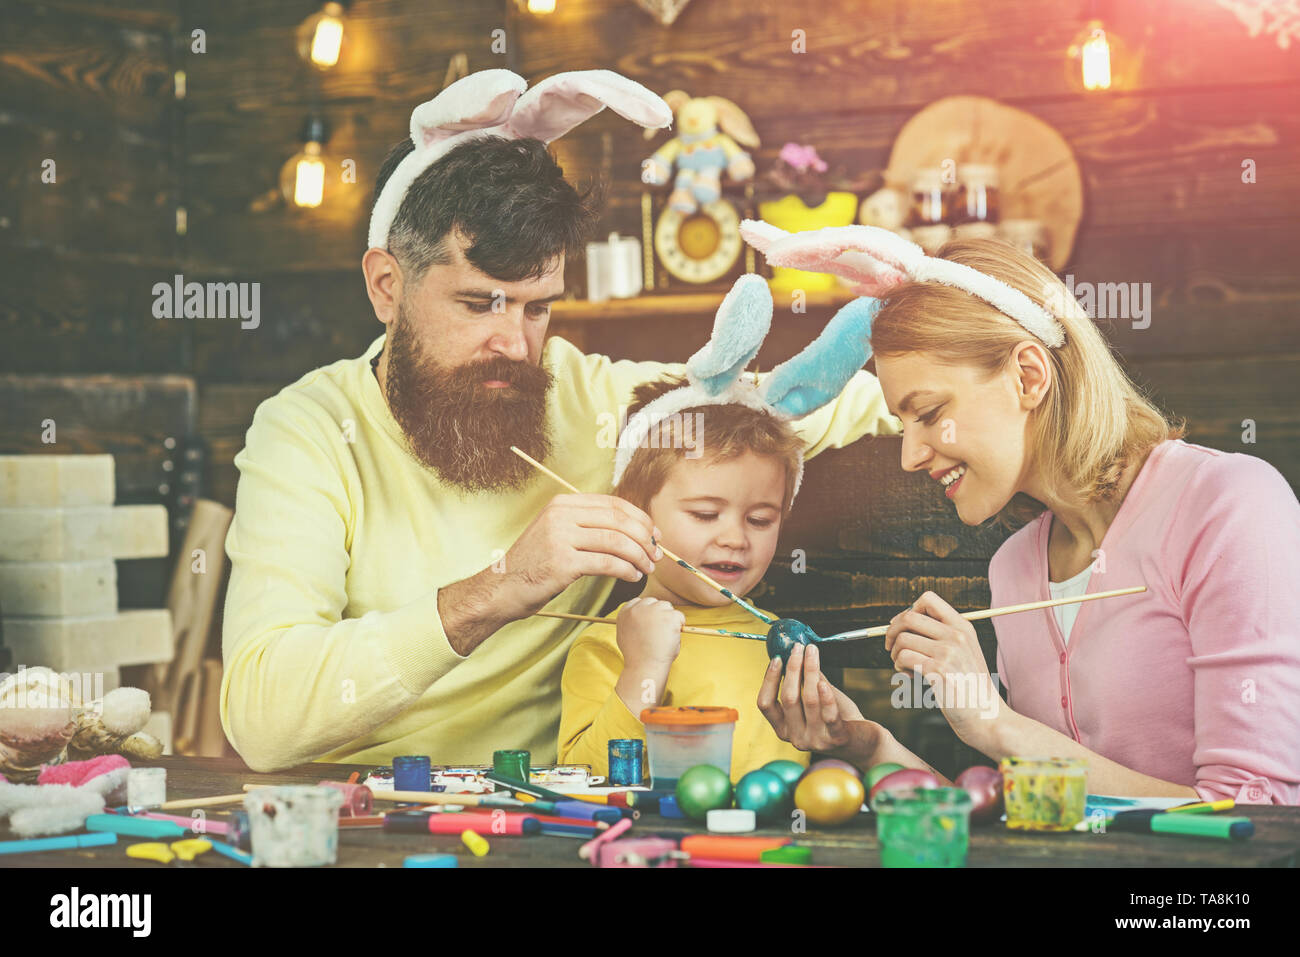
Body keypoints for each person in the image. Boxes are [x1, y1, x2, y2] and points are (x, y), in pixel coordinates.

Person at [218, 71, 900, 772]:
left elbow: (822, 405)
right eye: (479, 303)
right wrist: (501, 586)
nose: (514, 343)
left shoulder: (605, 407)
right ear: (386, 285)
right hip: (362, 812)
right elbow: (261, 719)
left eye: (536, 306)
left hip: (547, 820)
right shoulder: (309, 430)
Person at [751, 224, 1300, 803]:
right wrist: (867, 747)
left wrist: (995, 724)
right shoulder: (1014, 568)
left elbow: (1257, 815)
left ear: (1028, 376)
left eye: (930, 412)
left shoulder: (1228, 507)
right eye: (902, 423)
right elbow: (1041, 819)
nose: (910, 456)